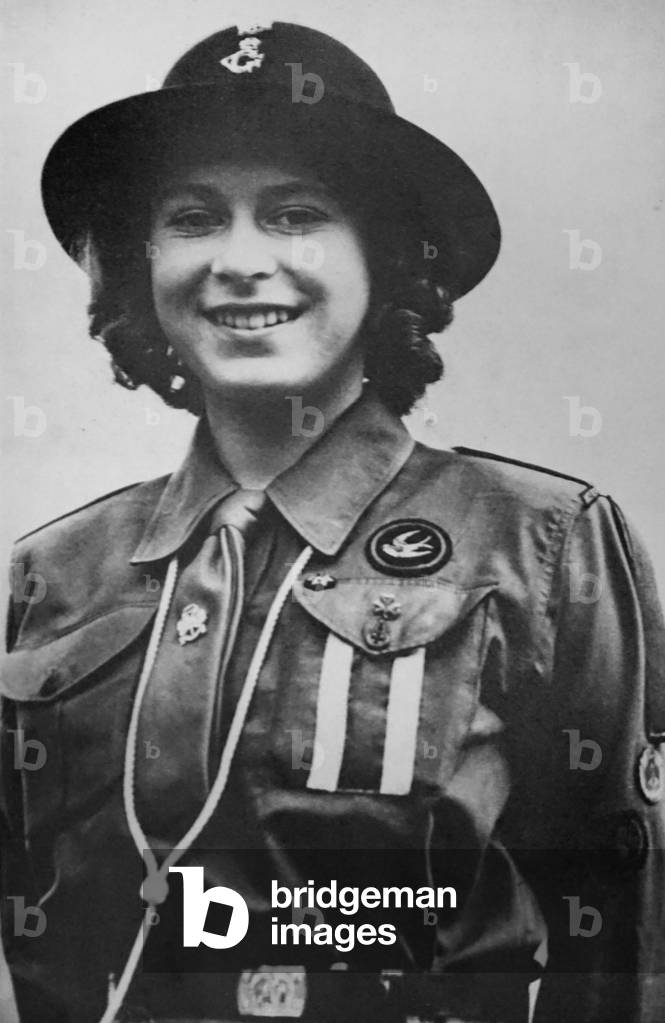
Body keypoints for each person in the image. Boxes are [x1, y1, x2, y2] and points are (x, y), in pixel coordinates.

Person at [1, 20, 664, 1023]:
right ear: (141, 265)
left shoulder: (541, 545)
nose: (239, 261)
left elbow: (618, 939)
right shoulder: (52, 575)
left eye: (294, 214)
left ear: (385, 257)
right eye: (192, 217)